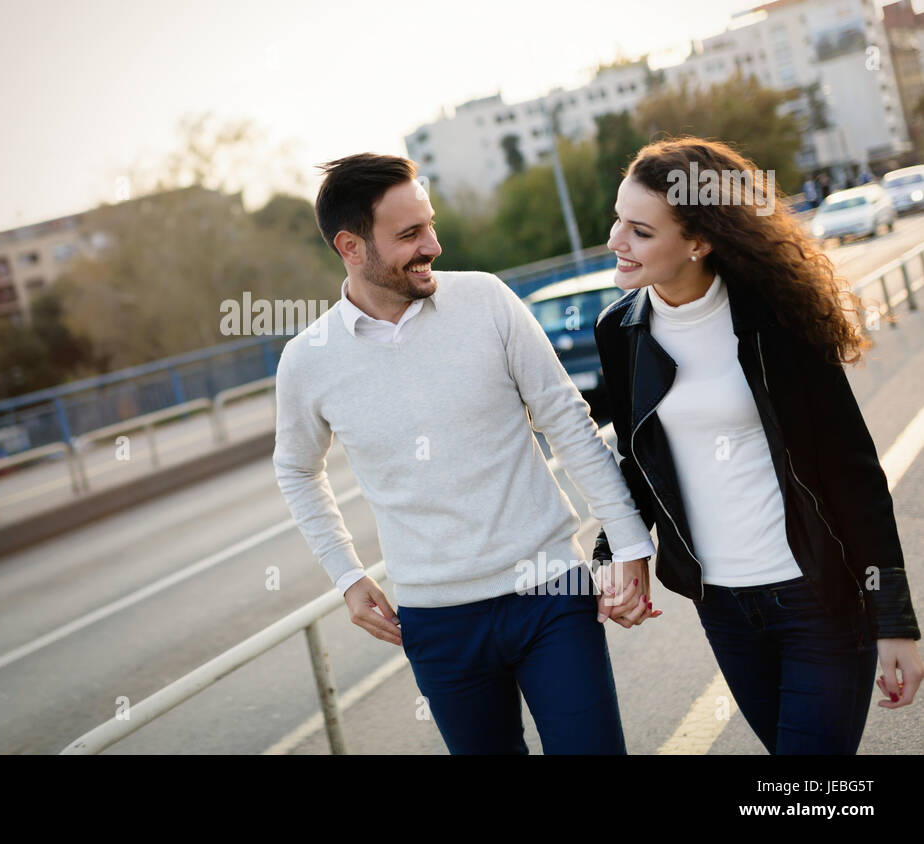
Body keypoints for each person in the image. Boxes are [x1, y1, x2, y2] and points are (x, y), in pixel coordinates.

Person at [272, 153, 658, 755]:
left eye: (428, 224)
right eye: (408, 235)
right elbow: (296, 469)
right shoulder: (308, 359)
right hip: (437, 621)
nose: (434, 244)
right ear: (350, 246)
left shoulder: (488, 301)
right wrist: (348, 577)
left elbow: (566, 420)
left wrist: (630, 541)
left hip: (552, 593)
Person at [592, 136, 922, 754]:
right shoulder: (620, 330)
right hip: (724, 608)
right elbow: (636, 458)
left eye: (639, 230)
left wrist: (894, 620)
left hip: (817, 595)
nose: (615, 240)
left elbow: (852, 470)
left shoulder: (774, 316)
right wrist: (616, 550)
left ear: (698, 241)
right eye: (618, 219)